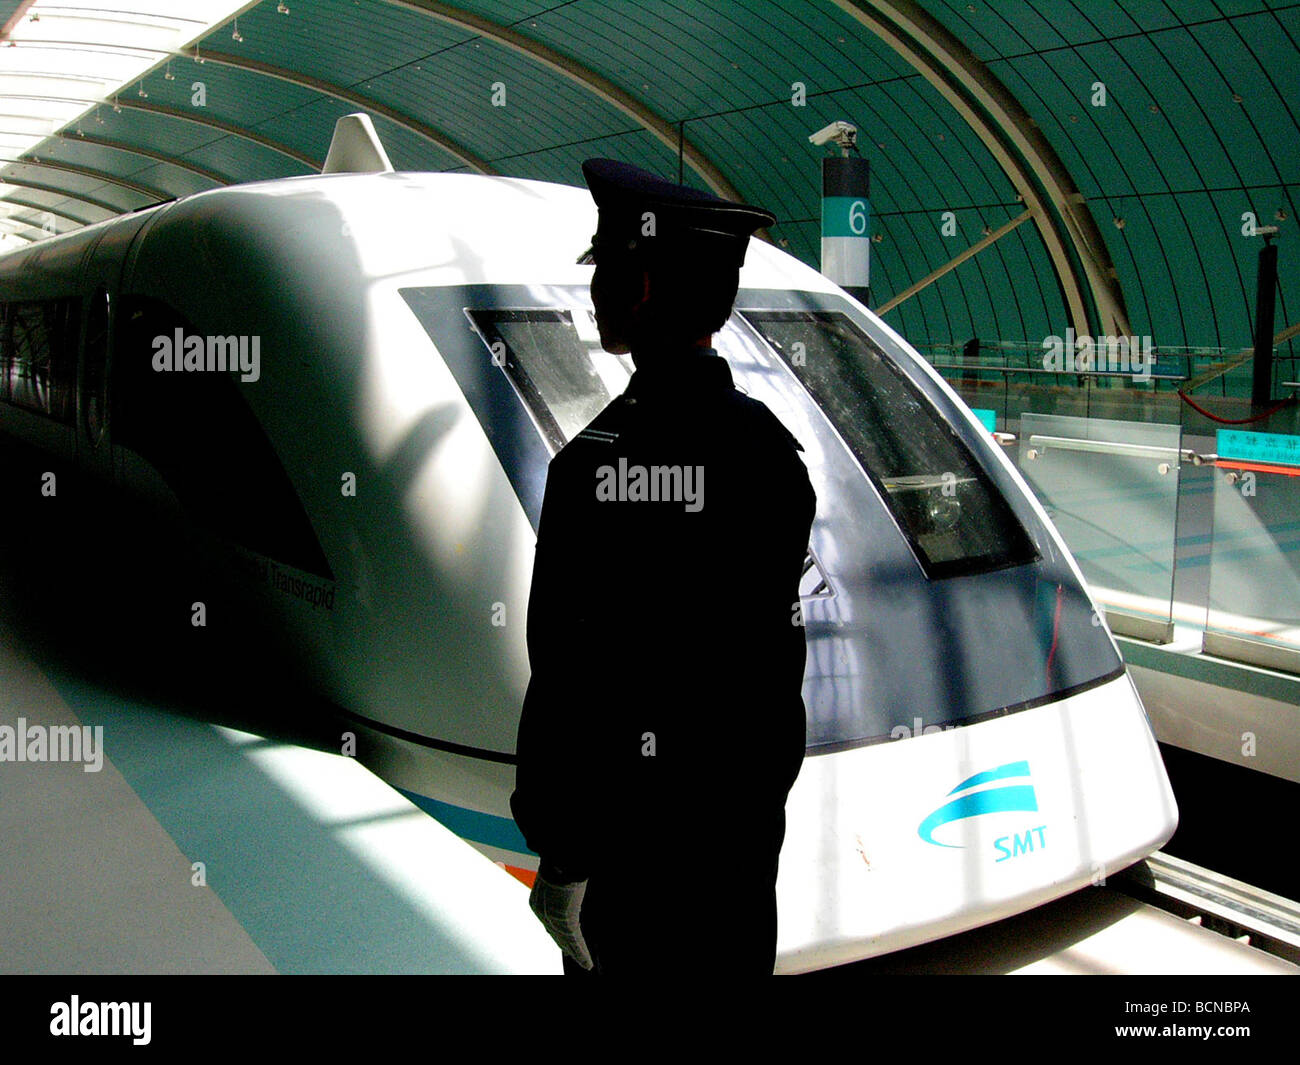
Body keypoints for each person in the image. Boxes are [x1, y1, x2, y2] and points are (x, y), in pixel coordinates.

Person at [510, 158, 817, 975]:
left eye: (606, 272)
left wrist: (563, 854)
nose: (594, 293)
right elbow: (771, 676)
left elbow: (574, 685)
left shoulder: (592, 472)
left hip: (631, 869)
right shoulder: (774, 458)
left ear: (642, 288)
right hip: (737, 860)